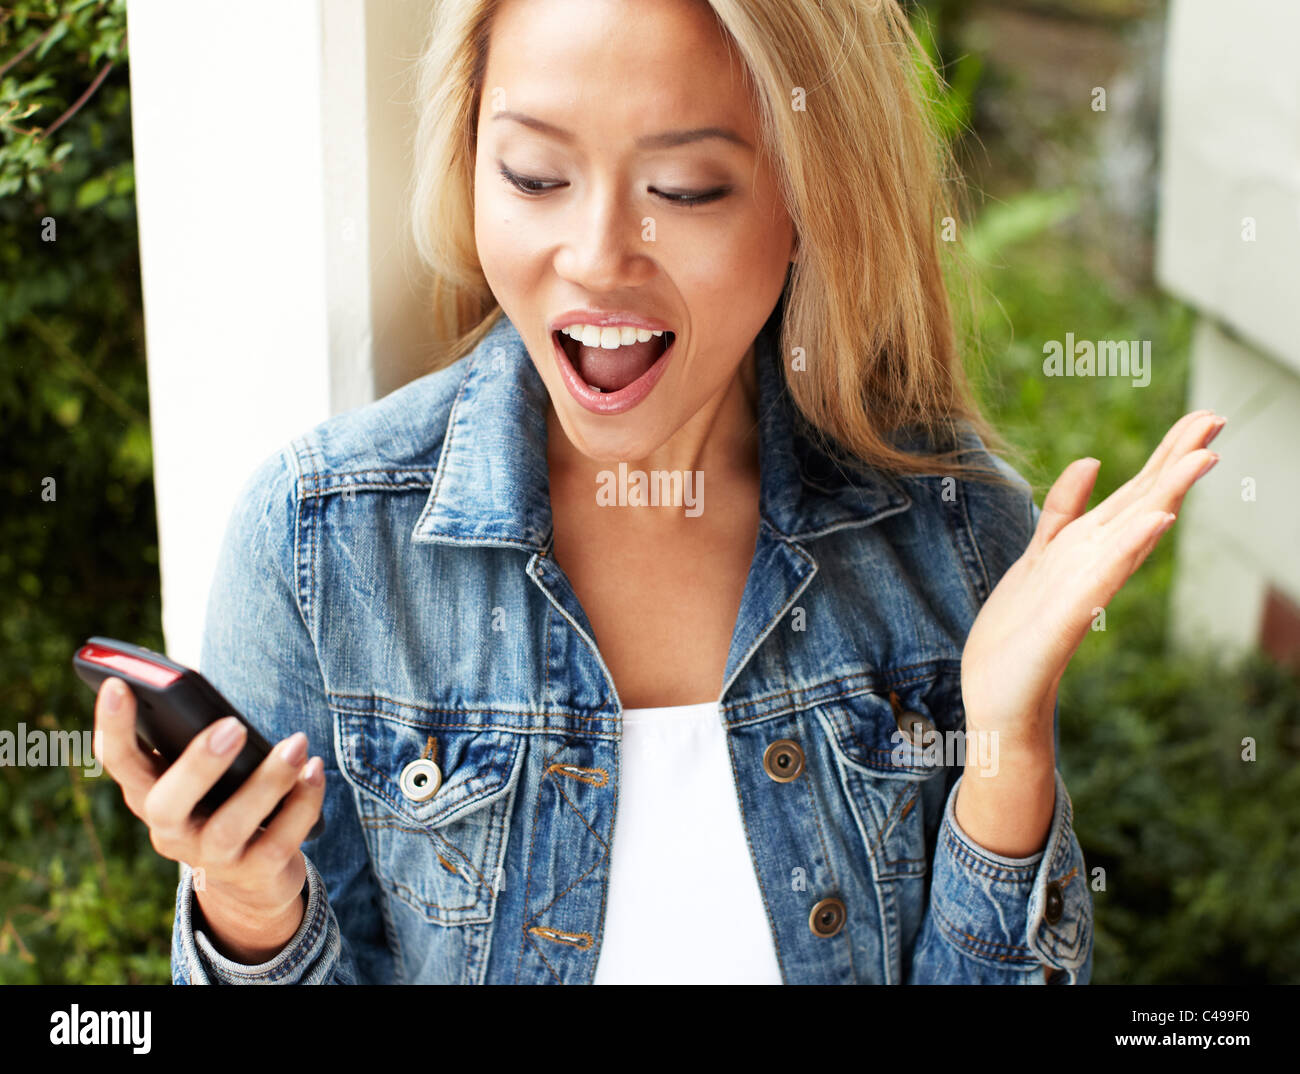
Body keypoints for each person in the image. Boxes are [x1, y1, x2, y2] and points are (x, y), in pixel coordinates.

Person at [95, 0, 1221, 984]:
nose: (594, 255)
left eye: (683, 188)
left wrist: (1005, 753)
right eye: (533, 174)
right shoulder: (320, 542)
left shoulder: (957, 537)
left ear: (806, 203)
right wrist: (248, 914)